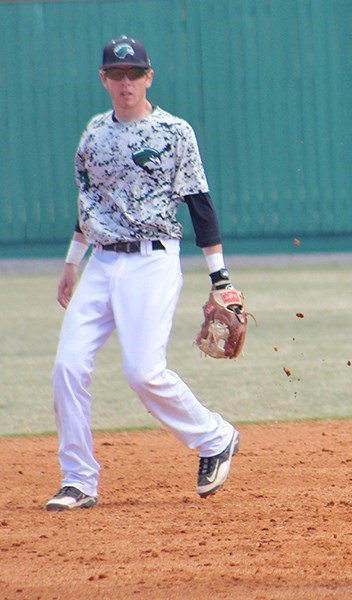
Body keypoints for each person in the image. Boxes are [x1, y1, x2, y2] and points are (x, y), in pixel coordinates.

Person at [46, 36, 241, 511]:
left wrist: (220, 279)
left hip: (153, 259)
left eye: (134, 75)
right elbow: (89, 203)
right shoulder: (94, 134)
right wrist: (73, 261)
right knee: (67, 367)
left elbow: (199, 204)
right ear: (104, 80)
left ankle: (215, 436)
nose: (125, 83)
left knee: (142, 370)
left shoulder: (174, 132)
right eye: (117, 75)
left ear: (148, 77)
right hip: (101, 261)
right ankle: (79, 480)